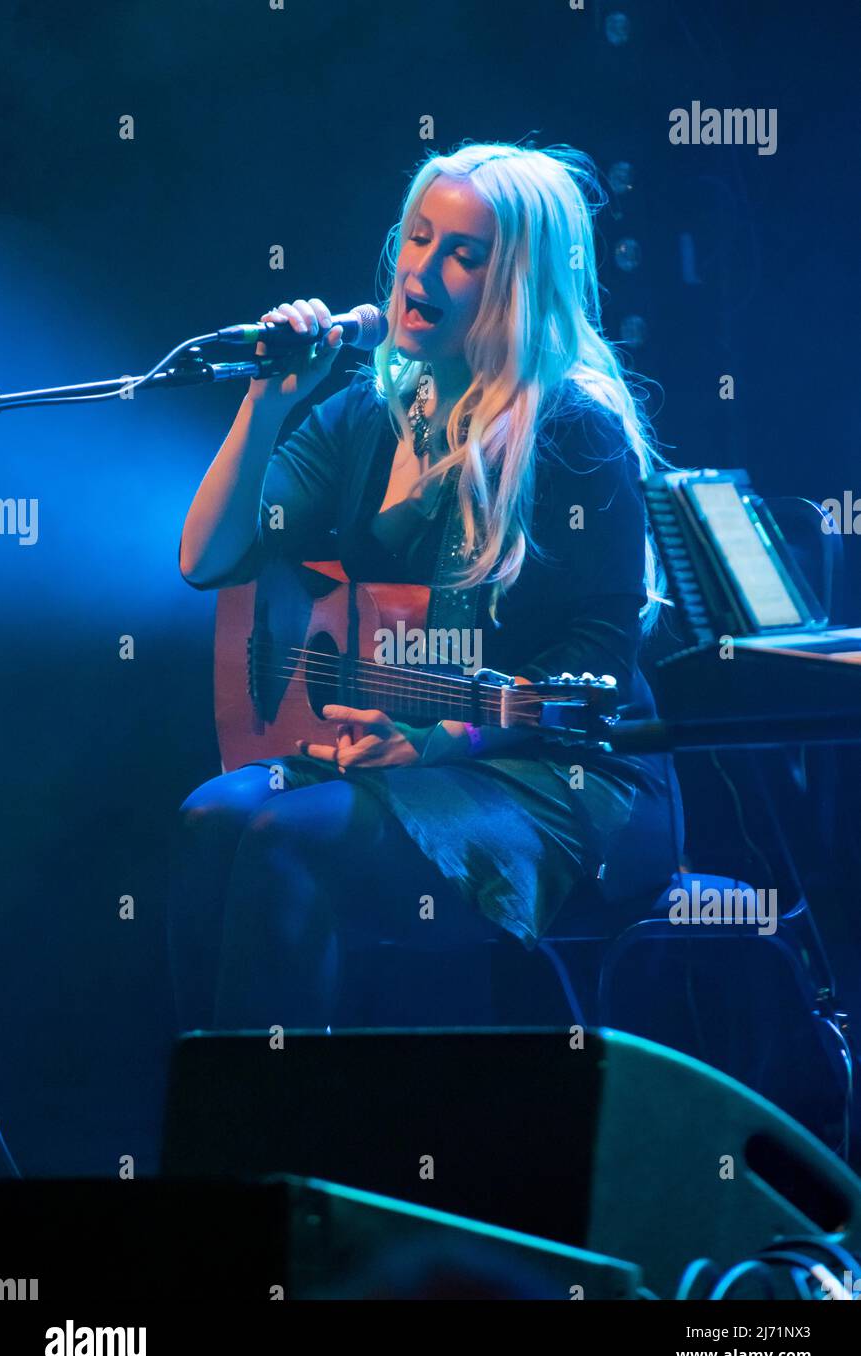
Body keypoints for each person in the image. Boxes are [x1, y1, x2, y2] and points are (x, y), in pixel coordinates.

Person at [168, 140, 683, 1032]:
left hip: (551, 773)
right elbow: (208, 559)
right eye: (416, 239)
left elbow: (593, 672)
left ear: (516, 283)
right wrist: (267, 403)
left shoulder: (573, 431)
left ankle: (286, 1144)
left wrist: (440, 738)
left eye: (463, 254)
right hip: (411, 751)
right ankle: (228, 1135)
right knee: (209, 818)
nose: (423, 270)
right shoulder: (366, 412)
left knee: (277, 837)